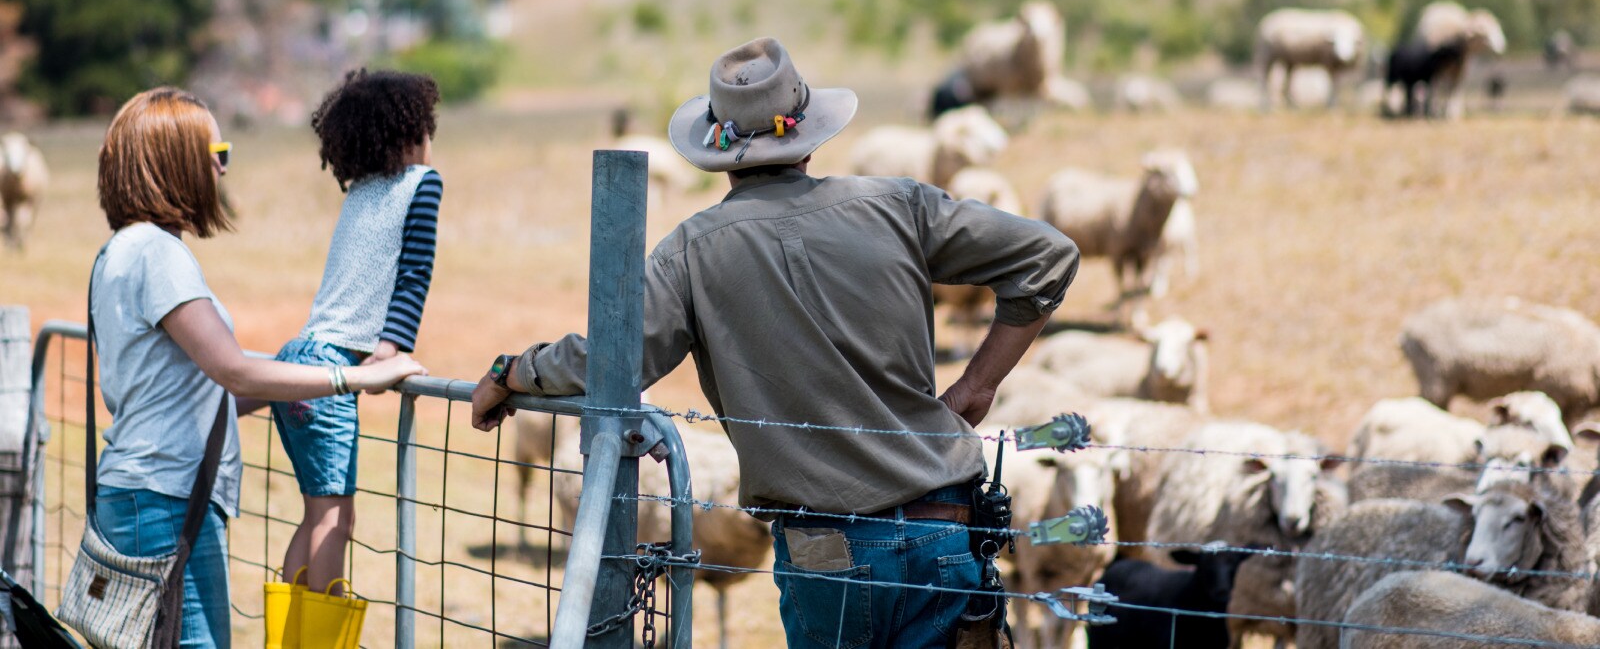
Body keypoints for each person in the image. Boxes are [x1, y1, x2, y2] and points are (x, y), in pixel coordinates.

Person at [470, 37, 1079, 648]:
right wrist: (978, 384)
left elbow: (609, 358)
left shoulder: (692, 250)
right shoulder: (898, 207)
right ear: (809, 135)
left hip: (828, 555)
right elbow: (1049, 256)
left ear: (720, 149)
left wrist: (513, 370)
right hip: (944, 531)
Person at [92, 87, 425, 649]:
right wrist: (350, 377)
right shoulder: (158, 256)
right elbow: (232, 371)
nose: (223, 164)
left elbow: (166, 388)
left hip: (139, 494)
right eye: (216, 148)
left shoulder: (118, 252)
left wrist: (296, 374)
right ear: (174, 158)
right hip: (167, 502)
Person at [271, 68, 444, 597]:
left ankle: (291, 640)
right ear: (415, 133)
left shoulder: (361, 192)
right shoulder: (422, 183)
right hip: (332, 368)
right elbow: (415, 272)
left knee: (315, 515)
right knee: (336, 522)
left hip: (296, 359)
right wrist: (390, 351)